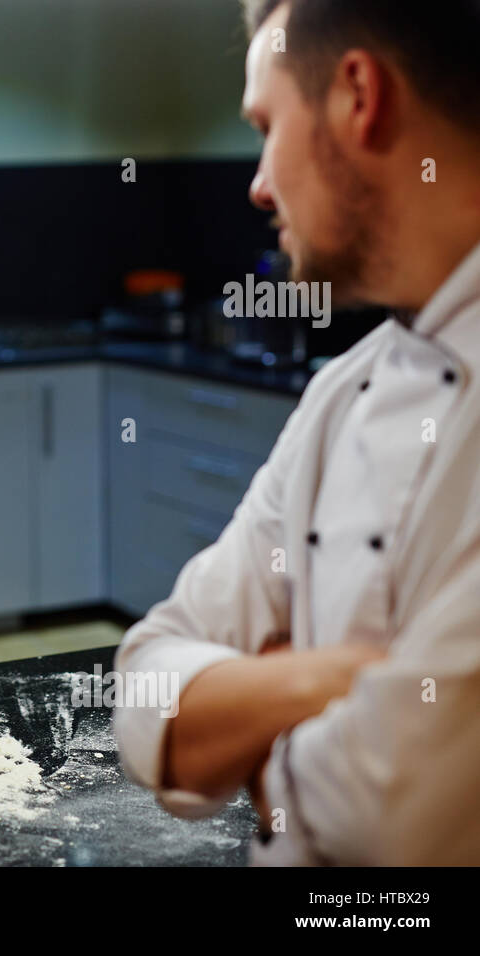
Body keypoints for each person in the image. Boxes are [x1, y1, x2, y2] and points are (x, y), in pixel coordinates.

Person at [112, 0, 480, 864]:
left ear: (358, 96)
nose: (258, 185)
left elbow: (394, 814)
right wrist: (336, 678)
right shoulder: (338, 395)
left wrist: (253, 733)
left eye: (267, 125)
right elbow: (145, 678)